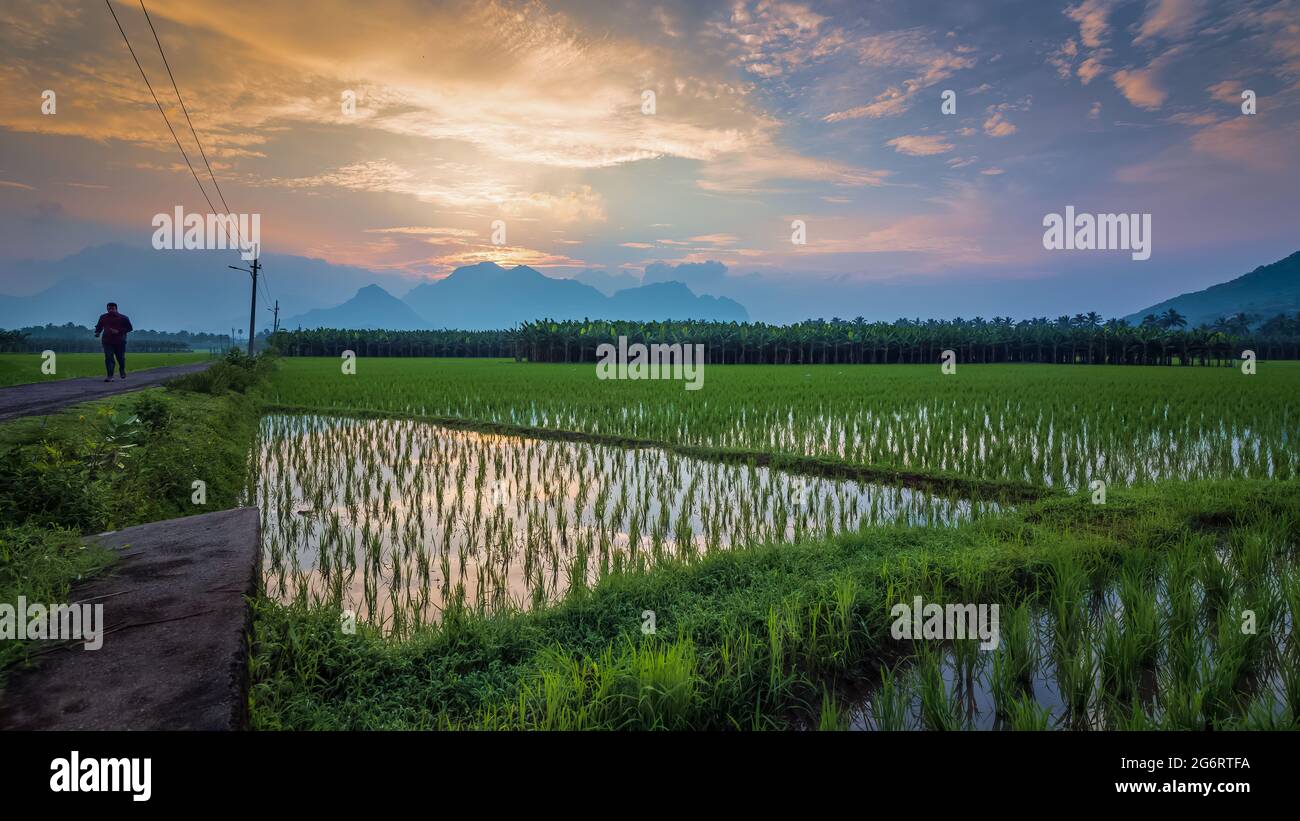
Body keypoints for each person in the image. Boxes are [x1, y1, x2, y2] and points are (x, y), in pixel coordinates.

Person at [94, 302, 133, 381]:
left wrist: (118, 331)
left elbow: (129, 328)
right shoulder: (103, 317)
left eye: (112, 309)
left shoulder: (123, 318)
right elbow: (99, 326)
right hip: (107, 341)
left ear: (116, 309)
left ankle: (122, 370)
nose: (111, 310)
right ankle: (110, 376)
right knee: (109, 358)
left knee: (120, 358)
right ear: (107, 309)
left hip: (120, 342)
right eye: (109, 309)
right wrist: (97, 332)